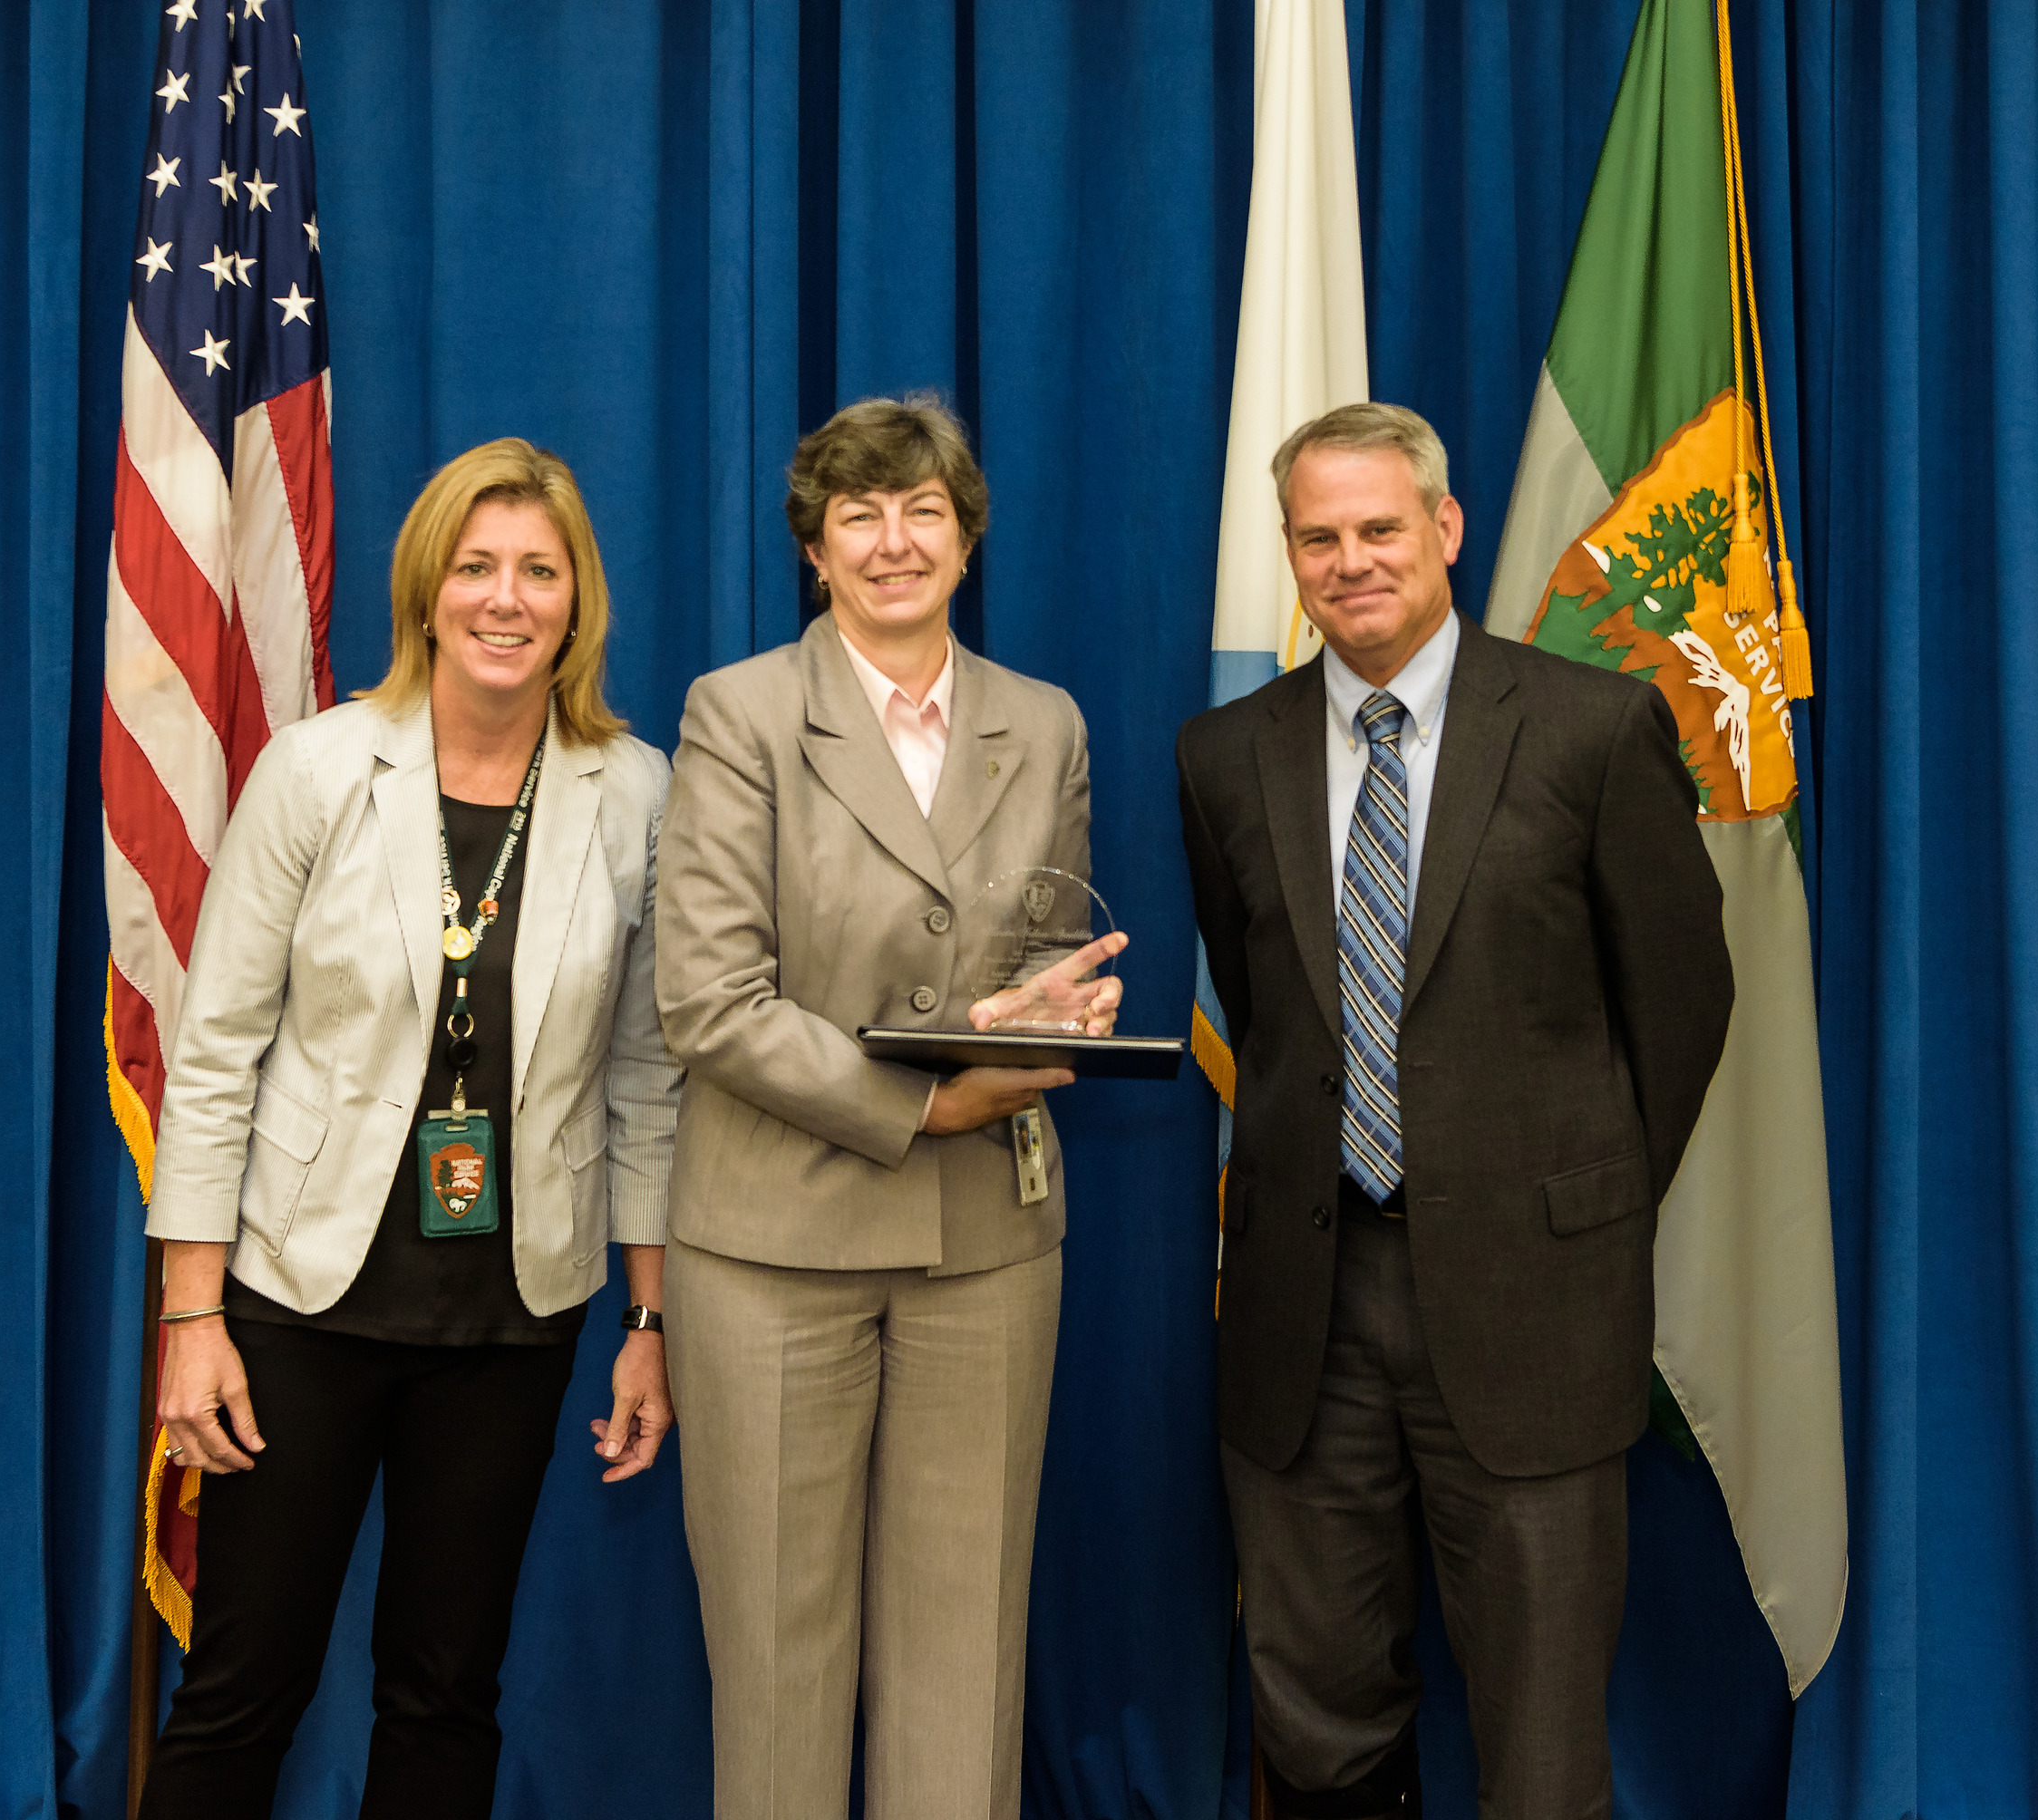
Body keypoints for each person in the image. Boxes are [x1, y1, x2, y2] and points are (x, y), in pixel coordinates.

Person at [1176, 403, 1732, 1819]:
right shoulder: (1224, 757)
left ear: (1445, 530)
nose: (1351, 561)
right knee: (1315, 1724)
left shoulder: (1591, 728)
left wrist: (1560, 1200)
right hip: (1310, 1309)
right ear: (1290, 554)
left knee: (1542, 1738)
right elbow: (1265, 1008)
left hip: (1534, 1309)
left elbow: (1678, 1005)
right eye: (1320, 536)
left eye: (1378, 529)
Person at [138, 439, 681, 1818]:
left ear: (577, 603)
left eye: (539, 572)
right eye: (477, 567)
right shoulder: (319, 771)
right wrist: (191, 1320)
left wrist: (650, 1322)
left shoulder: (635, 794)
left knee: (446, 1696)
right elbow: (214, 1055)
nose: (507, 599)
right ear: (426, 594)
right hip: (297, 1306)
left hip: (515, 1316)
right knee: (240, 1690)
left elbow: (646, 1078)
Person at [655, 393, 1121, 1820]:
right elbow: (707, 1001)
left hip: (988, 1253)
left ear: (967, 539)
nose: (893, 538)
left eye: (923, 509)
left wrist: (1066, 1019)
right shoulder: (737, 715)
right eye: (858, 514)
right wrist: (930, 1106)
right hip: (768, 1254)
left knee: (964, 1658)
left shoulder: (1044, 726)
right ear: (815, 551)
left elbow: (1051, 951)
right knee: (778, 1672)